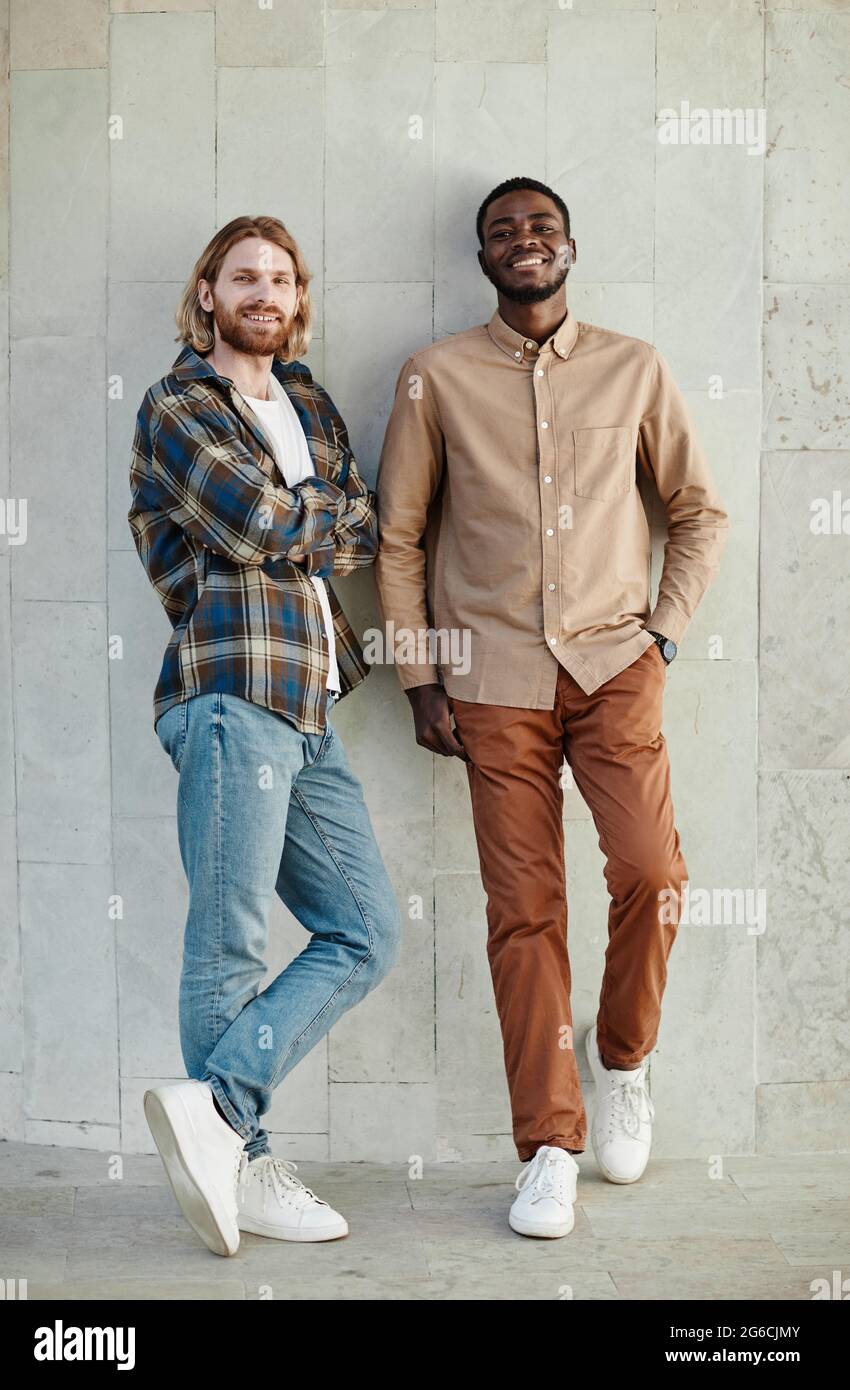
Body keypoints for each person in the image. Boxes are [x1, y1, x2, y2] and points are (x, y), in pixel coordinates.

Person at [374, 177, 729, 1240]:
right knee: (522, 913)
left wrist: (662, 629)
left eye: (538, 226)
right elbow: (399, 539)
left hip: (616, 665)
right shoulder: (433, 376)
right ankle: (546, 1146)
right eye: (500, 232)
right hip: (488, 683)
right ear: (481, 258)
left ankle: (621, 1059)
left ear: (568, 245)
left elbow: (697, 513)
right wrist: (419, 677)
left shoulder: (634, 366)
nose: (521, 241)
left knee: (653, 872)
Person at [128, 215, 400, 1257]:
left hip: (314, 703)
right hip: (232, 691)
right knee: (231, 936)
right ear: (207, 292)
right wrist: (316, 514)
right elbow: (255, 525)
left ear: (297, 297)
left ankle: (218, 1115)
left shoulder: (310, 399)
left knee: (367, 929)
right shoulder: (177, 403)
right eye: (242, 275)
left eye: (280, 278)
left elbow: (363, 526)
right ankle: (238, 1158)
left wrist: (319, 512)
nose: (262, 291)